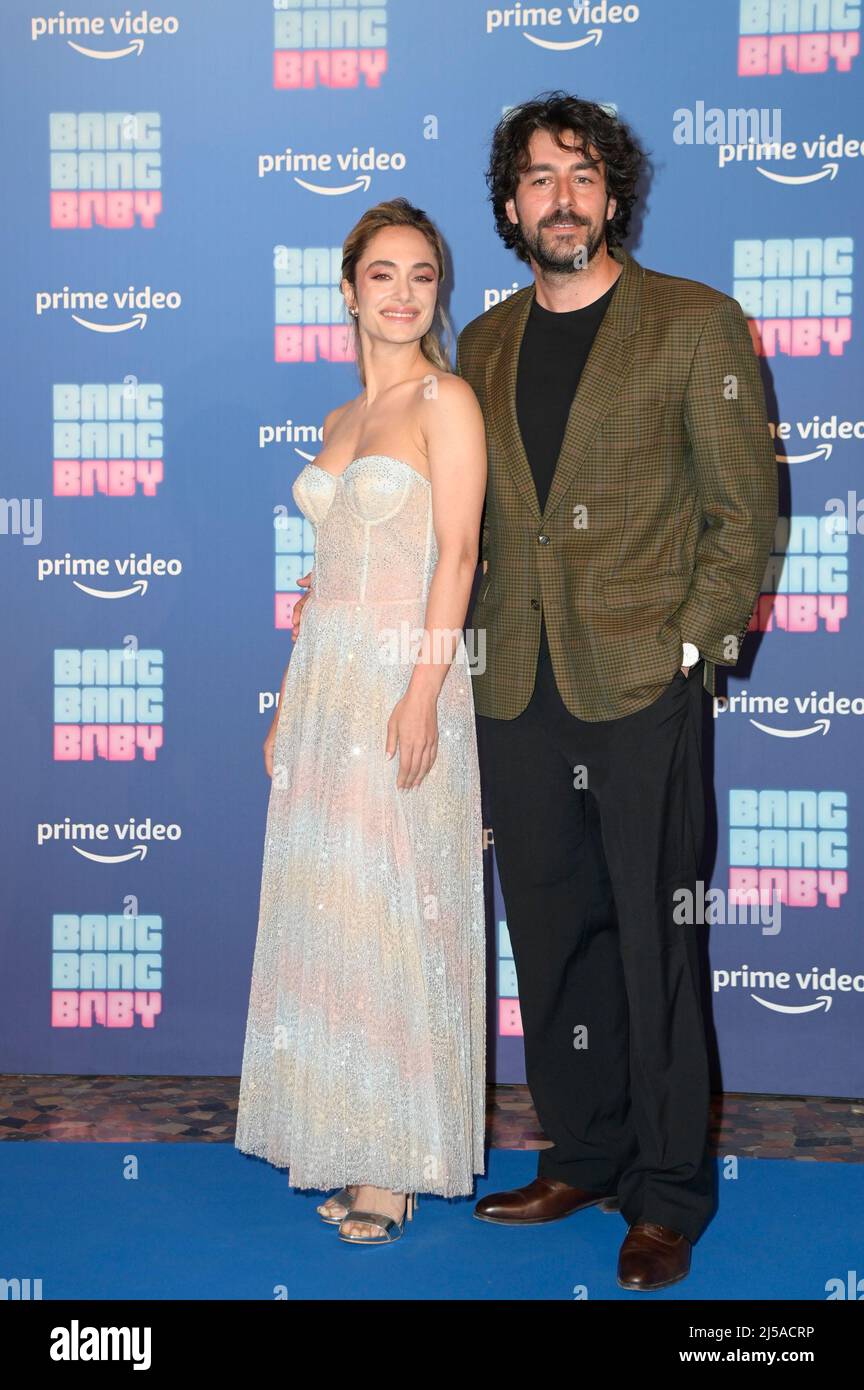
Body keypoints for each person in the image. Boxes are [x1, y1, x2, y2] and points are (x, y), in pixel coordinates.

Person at [455, 92, 778, 1290]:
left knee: (656, 943)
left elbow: (744, 516)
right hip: (517, 687)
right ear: (511, 207)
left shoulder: (696, 324)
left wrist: (693, 649)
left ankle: (665, 1195)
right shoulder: (481, 344)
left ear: (613, 194)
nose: (562, 196)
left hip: (643, 682)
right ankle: (581, 1152)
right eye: (539, 179)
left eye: (582, 175)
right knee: (553, 938)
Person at [235, 197, 488, 1246]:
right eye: (381, 274)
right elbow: (323, 578)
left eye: (422, 276)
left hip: (403, 677)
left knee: (399, 903)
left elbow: (460, 554)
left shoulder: (447, 400)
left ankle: (393, 1161)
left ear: (439, 292)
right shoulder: (339, 424)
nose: (401, 294)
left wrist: (424, 689)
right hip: (328, 681)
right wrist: (290, 703)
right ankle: (337, 1130)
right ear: (347, 290)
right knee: (333, 911)